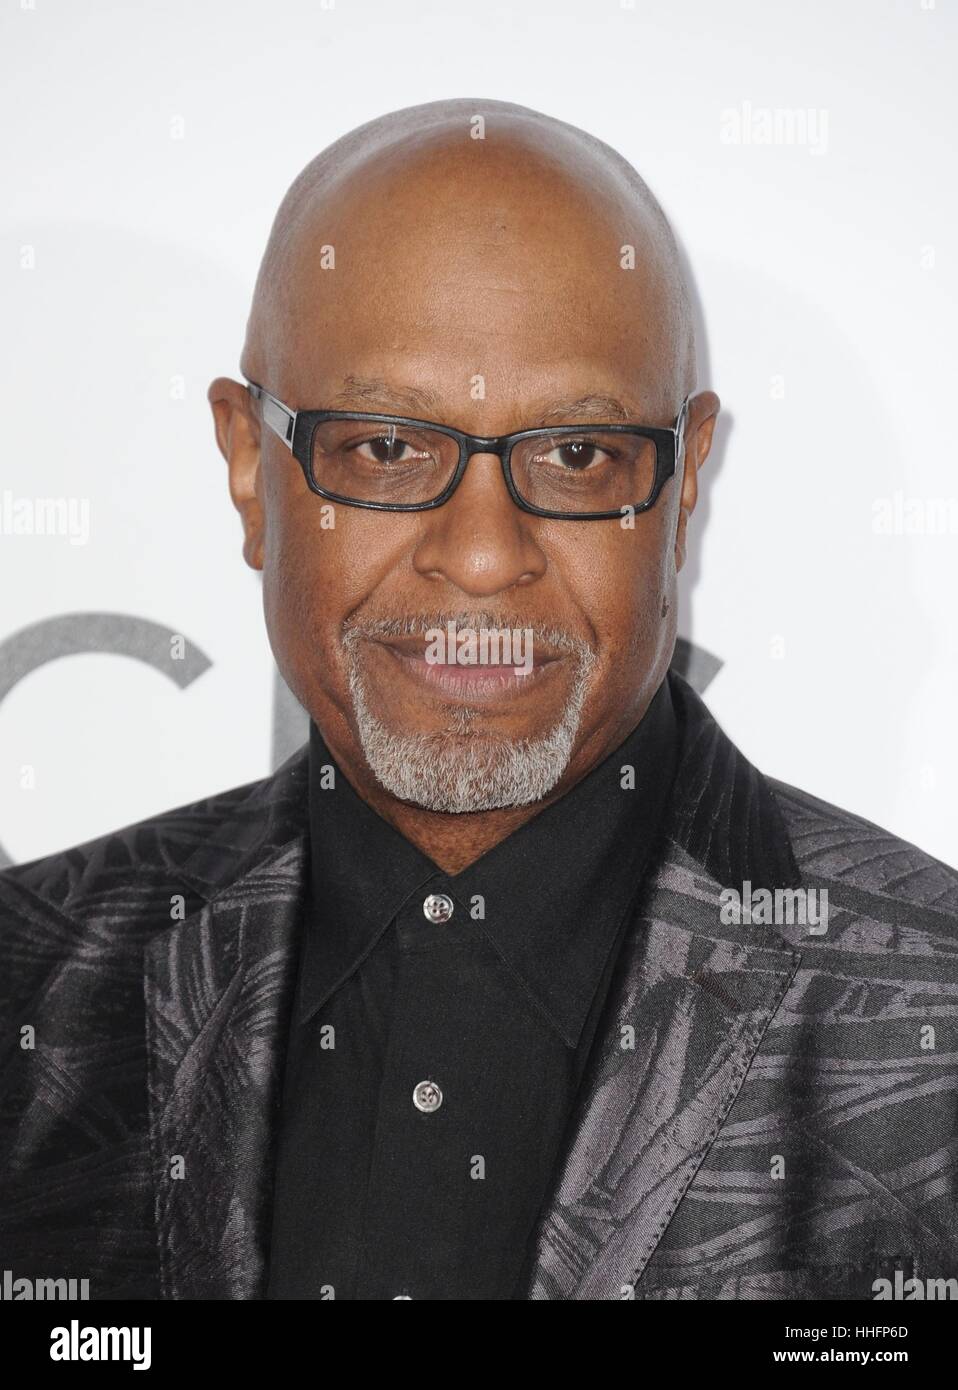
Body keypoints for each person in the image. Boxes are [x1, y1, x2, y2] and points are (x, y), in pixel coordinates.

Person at [1, 98, 956, 1302]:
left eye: (575, 455)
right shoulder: (30, 988)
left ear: (685, 482)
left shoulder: (935, 1010)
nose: (486, 552)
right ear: (251, 470)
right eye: (387, 447)